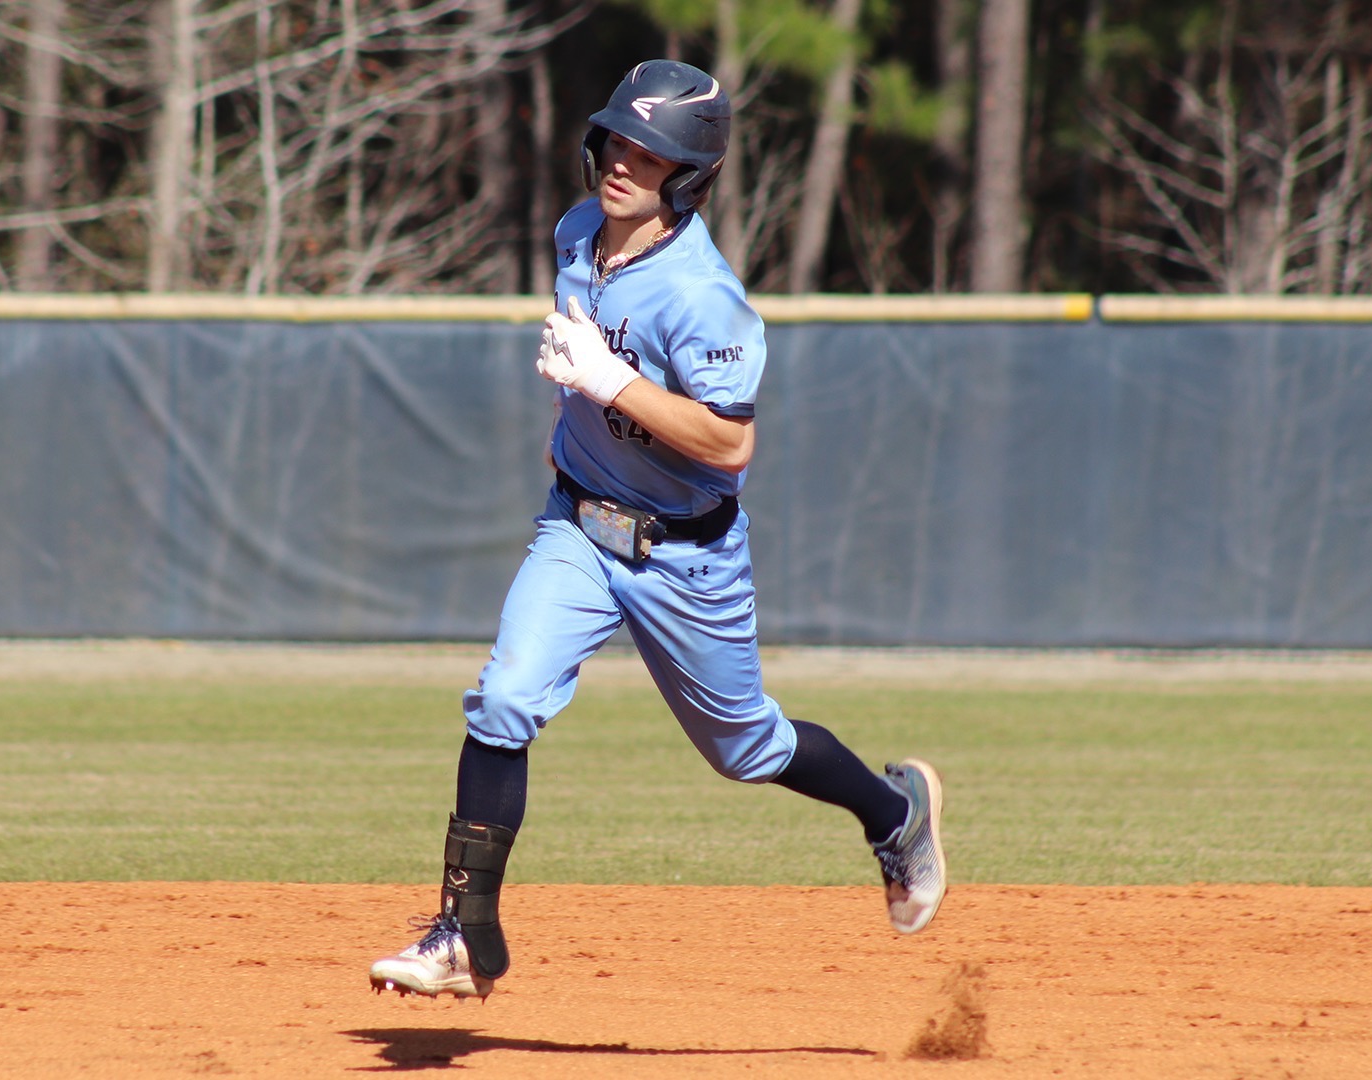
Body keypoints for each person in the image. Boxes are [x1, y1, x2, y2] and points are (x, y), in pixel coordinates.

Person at [369, 59, 946, 1001]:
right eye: (617, 140)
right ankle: (459, 934)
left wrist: (610, 383)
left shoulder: (702, 294)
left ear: (690, 175)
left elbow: (728, 442)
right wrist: (582, 409)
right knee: (504, 699)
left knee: (747, 749)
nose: (624, 162)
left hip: (685, 558)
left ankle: (894, 813)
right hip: (577, 528)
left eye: (651, 152)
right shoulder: (577, 233)